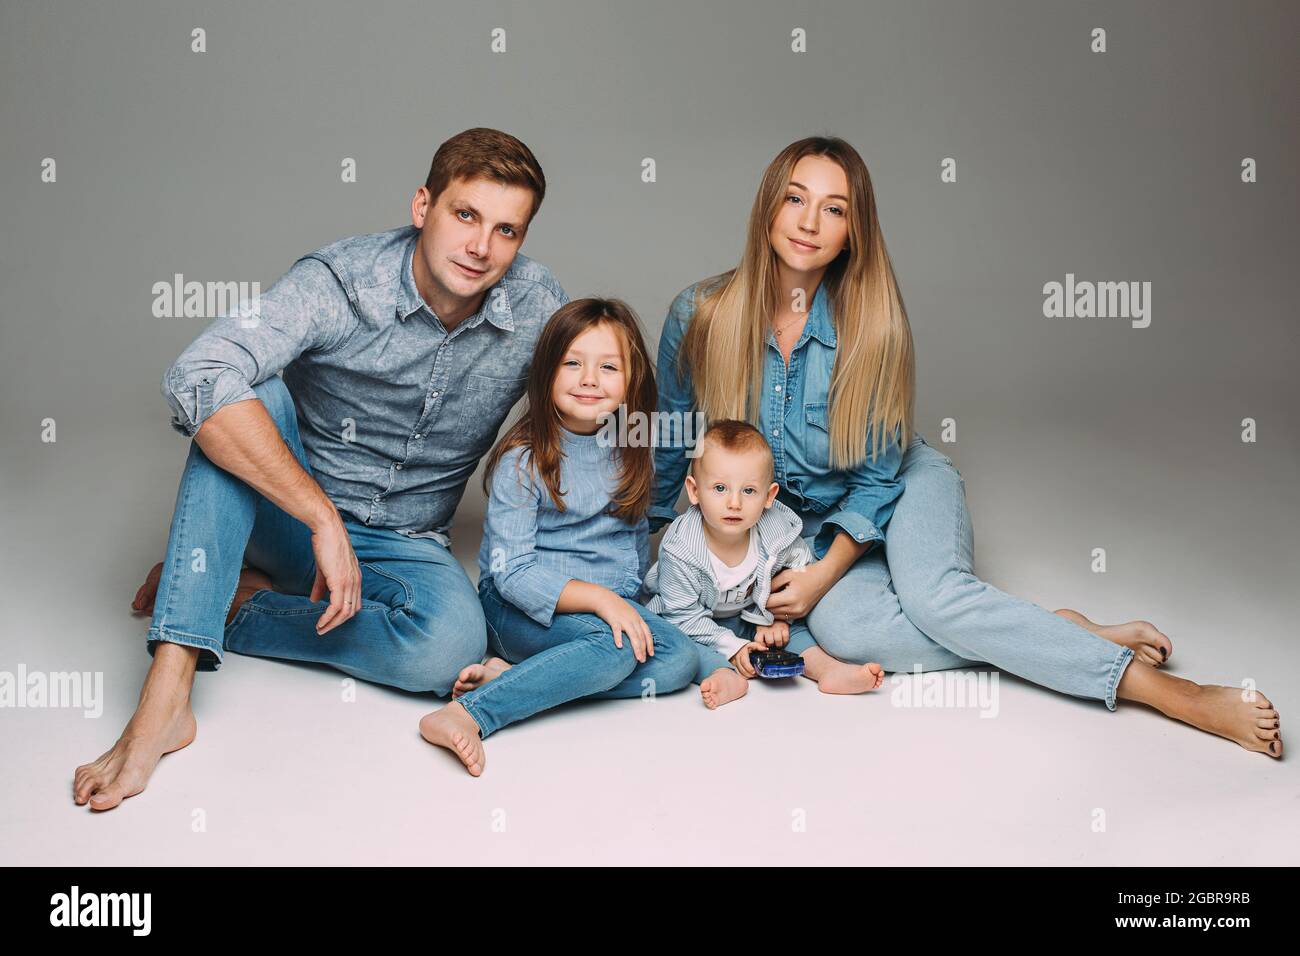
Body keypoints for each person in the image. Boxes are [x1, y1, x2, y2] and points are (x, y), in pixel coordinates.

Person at [651, 135, 1282, 757]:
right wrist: (635, 551)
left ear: (854, 230)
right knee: (850, 632)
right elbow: (676, 443)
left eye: (835, 208)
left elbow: (877, 481)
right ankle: (1049, 632)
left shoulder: (872, 326)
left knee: (934, 599)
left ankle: (1171, 693)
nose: (810, 222)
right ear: (768, 207)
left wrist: (819, 577)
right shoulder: (698, 314)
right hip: (794, 524)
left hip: (900, 482)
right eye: (795, 198)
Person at [75, 128, 571, 811]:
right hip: (289, 516)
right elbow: (196, 374)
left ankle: (233, 599)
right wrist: (319, 517)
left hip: (406, 539)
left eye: (506, 230)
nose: (481, 247)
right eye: (465, 215)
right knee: (241, 395)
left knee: (446, 652)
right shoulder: (338, 281)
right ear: (423, 205)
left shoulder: (538, 306)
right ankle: (167, 694)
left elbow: (584, 408)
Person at [419, 298, 696, 775]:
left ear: (632, 381)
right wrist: (599, 601)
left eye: (608, 367)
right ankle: (468, 713)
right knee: (618, 650)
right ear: (546, 373)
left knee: (678, 663)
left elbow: (629, 551)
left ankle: (523, 678)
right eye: (572, 363)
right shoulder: (524, 461)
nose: (589, 379)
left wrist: (628, 602)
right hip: (518, 608)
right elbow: (512, 575)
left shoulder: (634, 449)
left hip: (600, 611)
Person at [644, 419, 885, 708]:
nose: (734, 503)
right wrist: (733, 647)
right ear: (694, 491)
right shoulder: (680, 549)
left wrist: (775, 619)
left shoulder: (777, 531)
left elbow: (799, 565)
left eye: (748, 491)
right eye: (720, 488)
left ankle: (827, 670)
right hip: (695, 622)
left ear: (769, 496)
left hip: (749, 618)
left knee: (795, 635)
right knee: (684, 645)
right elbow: (683, 616)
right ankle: (723, 674)